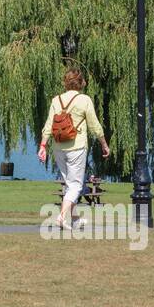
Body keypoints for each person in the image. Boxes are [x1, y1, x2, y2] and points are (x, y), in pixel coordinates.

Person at [38, 67, 110, 230]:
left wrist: (43, 146)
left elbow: (48, 125)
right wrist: (104, 145)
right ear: (81, 83)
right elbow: (95, 126)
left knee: (70, 184)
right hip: (76, 147)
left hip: (58, 147)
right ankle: (62, 217)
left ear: (66, 82)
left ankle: (75, 218)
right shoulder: (84, 100)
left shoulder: (56, 100)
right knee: (76, 185)